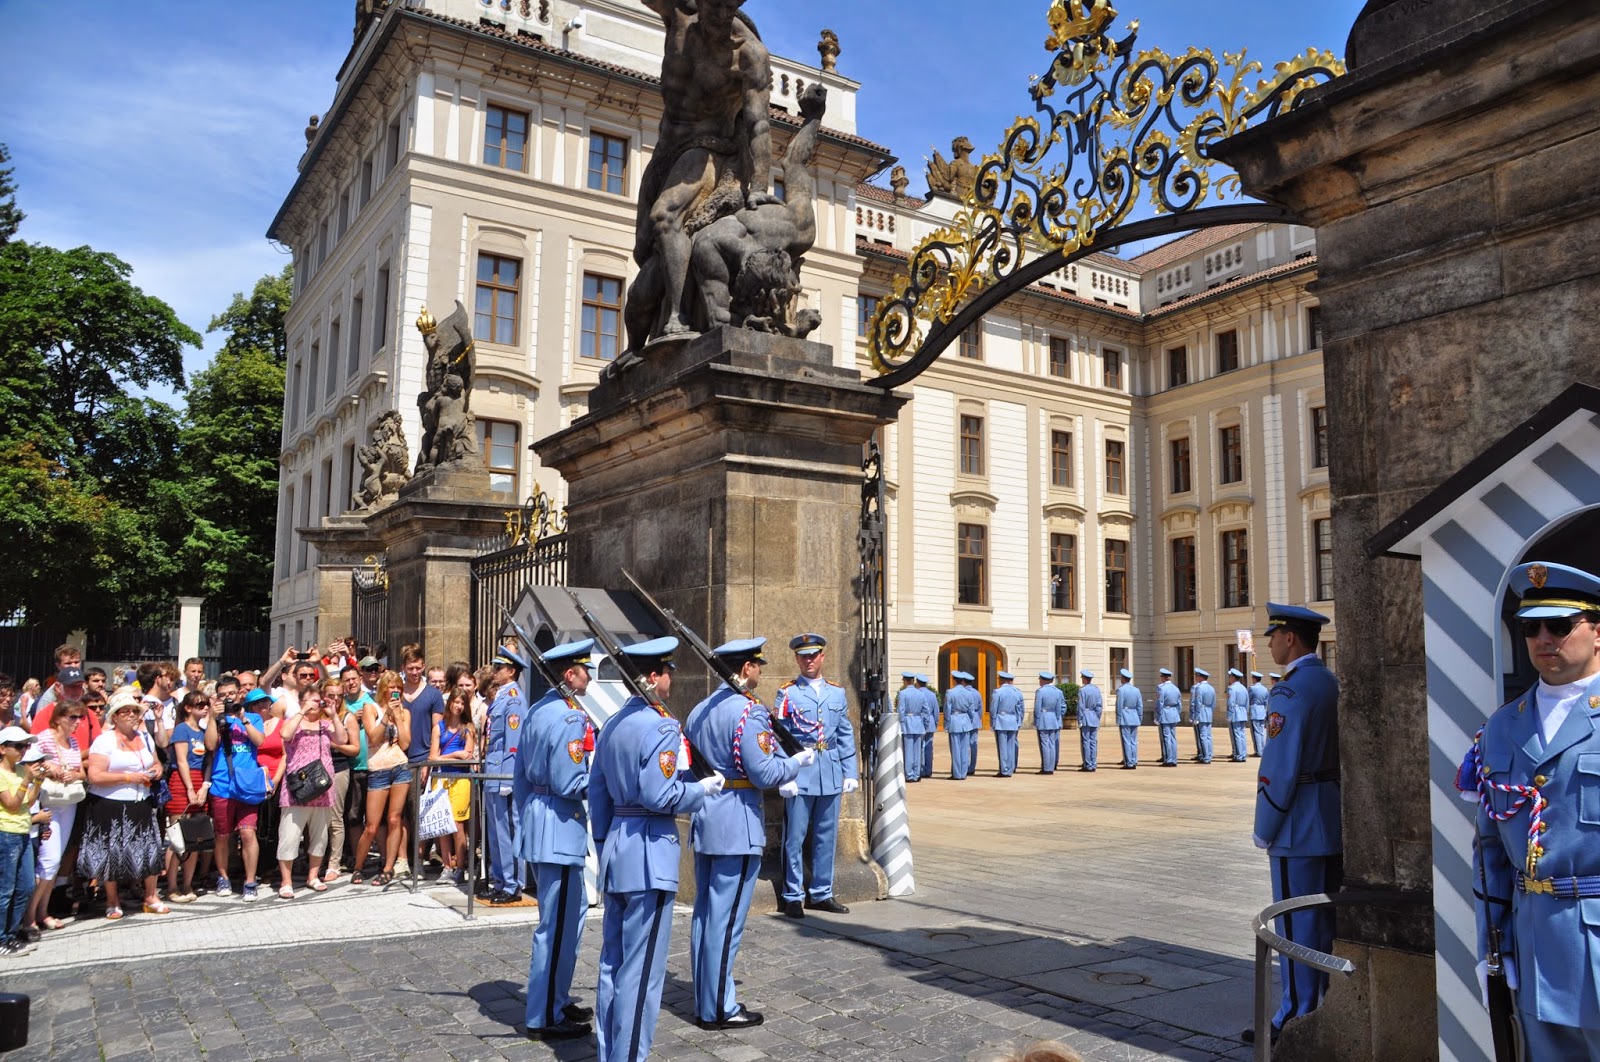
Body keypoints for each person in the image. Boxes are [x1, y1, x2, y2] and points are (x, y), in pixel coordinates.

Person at [1469, 561, 1600, 1059]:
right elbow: (1489, 853)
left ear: (1597, 631)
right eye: (1531, 627)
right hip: (1532, 944)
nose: (1545, 638)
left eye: (1561, 625)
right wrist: (1493, 949)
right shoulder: (1503, 727)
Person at [588, 637, 721, 1062]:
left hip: (618, 849)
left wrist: (606, 845)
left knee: (613, 962)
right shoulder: (662, 726)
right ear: (652, 677)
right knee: (642, 971)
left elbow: (598, 793)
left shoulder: (611, 724)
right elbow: (658, 794)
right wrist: (699, 791)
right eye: (666, 672)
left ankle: (611, 1051)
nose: (669, 680)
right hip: (649, 854)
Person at [628, 0, 774, 353]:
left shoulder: (749, 54)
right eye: (713, 5)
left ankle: (676, 319)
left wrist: (758, 186)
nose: (720, 16)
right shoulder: (677, 13)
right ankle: (635, 350)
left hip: (708, 145)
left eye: (728, 7)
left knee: (665, 217)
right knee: (644, 249)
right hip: (666, 149)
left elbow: (758, 125)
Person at [685, 637, 812, 1027]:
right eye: (757, 664)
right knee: (727, 920)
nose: (760, 669)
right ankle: (720, 1007)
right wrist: (795, 765)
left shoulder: (699, 709)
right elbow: (763, 772)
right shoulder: (749, 712)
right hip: (737, 823)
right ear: (744, 669)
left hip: (707, 818)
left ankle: (705, 997)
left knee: (706, 916)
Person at [1248, 602, 1341, 1046]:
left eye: (1273, 635)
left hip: (1296, 822)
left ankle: (1296, 1017)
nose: (1268, 643)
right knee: (1320, 923)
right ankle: (1319, 1006)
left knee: (1292, 926)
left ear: (1290, 638)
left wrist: (1265, 823)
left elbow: (1279, 766)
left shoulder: (1288, 692)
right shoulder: (1328, 681)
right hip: (1329, 816)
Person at [514, 640, 597, 1040]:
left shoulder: (537, 710)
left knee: (569, 917)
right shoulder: (568, 718)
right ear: (570, 675)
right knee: (557, 924)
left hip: (545, 821)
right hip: (559, 826)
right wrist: (604, 782)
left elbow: (520, 777)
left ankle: (557, 998)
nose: (590, 676)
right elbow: (570, 780)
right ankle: (544, 1014)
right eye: (586, 670)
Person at [772, 634, 856, 916]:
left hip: (829, 772)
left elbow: (844, 733)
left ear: (822, 657)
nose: (809, 660)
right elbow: (780, 737)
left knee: (826, 836)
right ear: (797, 659)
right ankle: (792, 895)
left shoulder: (837, 692)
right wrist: (785, 773)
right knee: (794, 837)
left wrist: (850, 771)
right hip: (801, 771)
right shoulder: (788, 693)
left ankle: (821, 892)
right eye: (803, 656)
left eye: (813, 655)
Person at [81, 694, 168, 919]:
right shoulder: (104, 740)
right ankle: (112, 900)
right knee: (111, 852)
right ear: (115, 716)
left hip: (141, 800)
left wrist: (157, 770)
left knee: (148, 848)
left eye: (135, 711)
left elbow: (156, 761)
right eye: (125, 711)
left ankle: (150, 896)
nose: (131, 715)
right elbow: (95, 775)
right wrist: (129, 778)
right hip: (109, 803)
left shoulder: (144, 737)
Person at [26, 700, 86, 932]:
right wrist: (50, 768)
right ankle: (29, 915)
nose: (77, 722)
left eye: (79, 717)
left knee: (56, 859)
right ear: (59, 717)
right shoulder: (44, 738)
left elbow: (80, 771)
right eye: (72, 717)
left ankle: (43, 911)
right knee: (48, 860)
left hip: (67, 802)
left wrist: (72, 774)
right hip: (48, 801)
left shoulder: (72, 741)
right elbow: (31, 762)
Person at [206, 687, 269, 901]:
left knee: (248, 833)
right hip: (223, 784)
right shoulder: (216, 718)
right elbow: (209, 744)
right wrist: (213, 718)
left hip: (247, 785)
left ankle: (250, 881)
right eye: (223, 695)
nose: (228, 698)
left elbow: (259, 741)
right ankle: (223, 877)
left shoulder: (252, 717)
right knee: (223, 835)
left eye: (232, 693)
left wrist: (242, 717)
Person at [352, 670, 411, 887]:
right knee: (372, 826)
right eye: (391, 687)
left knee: (395, 819)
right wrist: (386, 715)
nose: (395, 691)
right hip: (378, 769)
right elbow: (374, 738)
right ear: (383, 689)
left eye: (398, 688)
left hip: (399, 767)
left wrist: (398, 717)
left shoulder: (405, 713)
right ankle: (358, 866)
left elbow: (405, 743)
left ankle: (388, 867)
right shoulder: (371, 708)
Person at [480, 647, 527, 905]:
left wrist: (509, 777)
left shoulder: (515, 700)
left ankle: (513, 885)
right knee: (497, 832)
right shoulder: (500, 697)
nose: (494, 672)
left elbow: (514, 743)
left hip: (504, 774)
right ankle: (500, 880)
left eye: (499, 668)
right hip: (493, 772)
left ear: (511, 671)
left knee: (509, 829)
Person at [164, 691, 212, 903]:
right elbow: (182, 760)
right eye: (199, 704)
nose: (204, 707)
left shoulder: (203, 731)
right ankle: (172, 885)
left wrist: (203, 787)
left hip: (199, 779)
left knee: (195, 838)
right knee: (178, 838)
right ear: (188, 708)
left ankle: (188, 883)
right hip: (182, 782)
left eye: (206, 704)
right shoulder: (182, 729)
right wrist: (191, 788)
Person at [0, 728, 44, 953]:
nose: (23, 751)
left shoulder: (19, 770)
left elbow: (28, 801)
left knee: (26, 886)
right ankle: (2, 938)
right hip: (6, 833)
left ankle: (12, 930)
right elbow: (12, 804)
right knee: (6, 888)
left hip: (22, 831)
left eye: (25, 746)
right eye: (18, 746)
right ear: (2, 749)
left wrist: (36, 782)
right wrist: (27, 780)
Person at [431, 688, 477, 885]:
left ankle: (460, 866)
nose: (458, 706)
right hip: (441, 778)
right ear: (449, 703)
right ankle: (447, 866)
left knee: (458, 824)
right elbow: (432, 757)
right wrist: (454, 755)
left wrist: (455, 757)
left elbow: (468, 758)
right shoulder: (438, 727)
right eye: (455, 702)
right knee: (443, 825)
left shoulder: (468, 729)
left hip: (460, 779)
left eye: (462, 703)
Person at [944, 671, 981, 780]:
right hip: (965, 721)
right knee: (965, 749)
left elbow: (947, 710)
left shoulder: (950, 692)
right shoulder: (968, 693)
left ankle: (957, 773)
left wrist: (947, 722)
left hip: (955, 720)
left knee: (955, 749)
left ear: (954, 680)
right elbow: (971, 710)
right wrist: (968, 720)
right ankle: (963, 773)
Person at [989, 671, 1023, 777]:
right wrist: (1019, 721)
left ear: (1002, 680)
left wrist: (992, 722)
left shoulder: (998, 692)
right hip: (1012, 720)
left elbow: (993, 708)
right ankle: (1010, 768)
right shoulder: (1017, 692)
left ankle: (1004, 769)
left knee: (1002, 747)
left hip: (1001, 720)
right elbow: (1020, 709)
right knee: (1011, 746)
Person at [1032, 673, 1064, 775]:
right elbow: (1059, 708)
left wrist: (1036, 720)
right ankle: (1051, 766)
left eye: (1040, 679)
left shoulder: (1040, 691)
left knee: (1045, 744)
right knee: (1052, 744)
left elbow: (1037, 708)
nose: (1039, 681)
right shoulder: (1058, 692)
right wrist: (1057, 719)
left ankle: (1046, 768)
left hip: (1044, 718)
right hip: (1054, 719)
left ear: (1043, 680)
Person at [896, 673, 925, 783]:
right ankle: (917, 774)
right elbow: (925, 710)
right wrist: (924, 724)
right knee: (917, 750)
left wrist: (900, 724)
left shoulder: (903, 694)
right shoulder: (920, 693)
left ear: (905, 681)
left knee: (908, 751)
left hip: (908, 722)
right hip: (918, 722)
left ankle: (909, 774)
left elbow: (901, 710)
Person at [1114, 669, 1142, 769]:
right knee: (1134, 740)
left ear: (1123, 678)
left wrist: (1118, 718)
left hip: (1125, 716)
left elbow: (1119, 705)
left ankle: (1129, 762)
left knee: (1126, 740)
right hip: (1134, 716)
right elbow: (1140, 705)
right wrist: (1139, 717)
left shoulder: (1121, 690)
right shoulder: (1136, 690)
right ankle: (1134, 760)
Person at [1075, 669, 1102, 771]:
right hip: (1094, 717)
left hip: (1086, 717)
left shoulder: (1082, 690)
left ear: (1085, 679)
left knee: (1086, 741)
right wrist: (1097, 717)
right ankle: (1093, 763)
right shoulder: (1096, 689)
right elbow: (1099, 706)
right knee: (1093, 742)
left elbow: (1081, 707)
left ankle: (1087, 764)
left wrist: (1080, 719)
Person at [1154, 668, 1181, 767]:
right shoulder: (1176, 688)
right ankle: (1174, 759)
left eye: (1161, 676)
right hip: (1173, 713)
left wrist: (1157, 716)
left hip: (1165, 713)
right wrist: (1177, 713)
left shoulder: (1161, 688)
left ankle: (1168, 759)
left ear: (1163, 678)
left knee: (1166, 737)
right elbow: (1179, 703)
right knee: (1173, 737)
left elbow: (1159, 703)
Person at [1189, 668, 1215, 765]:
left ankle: (1205, 757)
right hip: (1208, 712)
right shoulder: (1211, 688)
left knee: (1202, 736)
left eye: (1196, 676)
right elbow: (1213, 703)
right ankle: (1209, 754)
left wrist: (1195, 716)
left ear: (1200, 677)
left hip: (1201, 713)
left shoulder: (1199, 688)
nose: (1195, 677)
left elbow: (1198, 703)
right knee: (1208, 736)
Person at [1225, 669, 1250, 762]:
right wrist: (1245, 712)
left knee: (1236, 735)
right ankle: (1243, 754)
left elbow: (1230, 703)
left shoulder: (1232, 688)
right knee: (1242, 735)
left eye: (1230, 677)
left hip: (1235, 713)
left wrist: (1229, 715)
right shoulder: (1244, 688)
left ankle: (1238, 755)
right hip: (1242, 712)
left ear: (1232, 677)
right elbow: (1247, 702)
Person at [915, 675, 937, 779]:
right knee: (929, 747)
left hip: (918, 722)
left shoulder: (917, 693)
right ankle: (928, 770)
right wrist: (935, 723)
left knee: (918, 747)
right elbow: (936, 711)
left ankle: (919, 769)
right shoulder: (932, 695)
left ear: (917, 683)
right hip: (931, 723)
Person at [1248, 671, 1270, 757]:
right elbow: (1266, 701)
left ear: (1254, 679)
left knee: (1256, 732)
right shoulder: (1265, 689)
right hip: (1262, 711)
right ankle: (1263, 749)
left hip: (1254, 710)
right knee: (1261, 732)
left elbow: (1249, 699)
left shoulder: (1252, 688)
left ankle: (1258, 751)